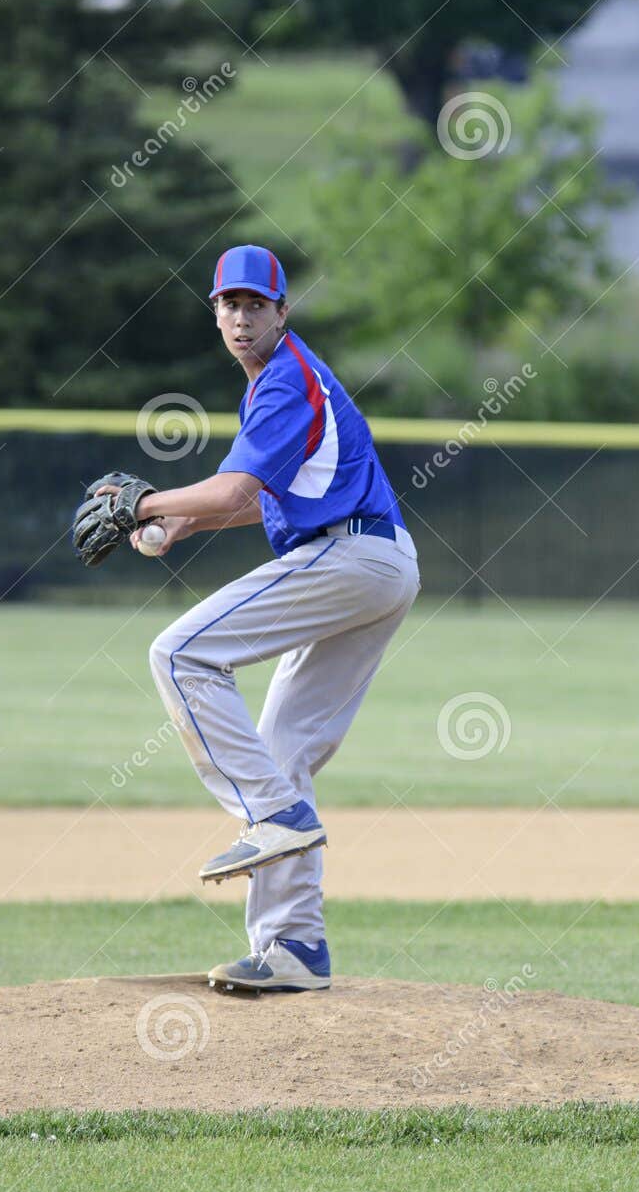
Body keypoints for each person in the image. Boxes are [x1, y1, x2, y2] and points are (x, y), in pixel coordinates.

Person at [122, 244, 420, 992]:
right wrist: (183, 525)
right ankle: (295, 949)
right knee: (282, 744)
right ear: (215, 313)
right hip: (376, 563)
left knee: (179, 651)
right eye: (229, 304)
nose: (242, 317)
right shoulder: (280, 384)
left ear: (282, 312)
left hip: (351, 559)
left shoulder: (286, 380)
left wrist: (149, 502)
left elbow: (230, 491)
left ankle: (268, 811)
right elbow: (255, 499)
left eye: (257, 304)